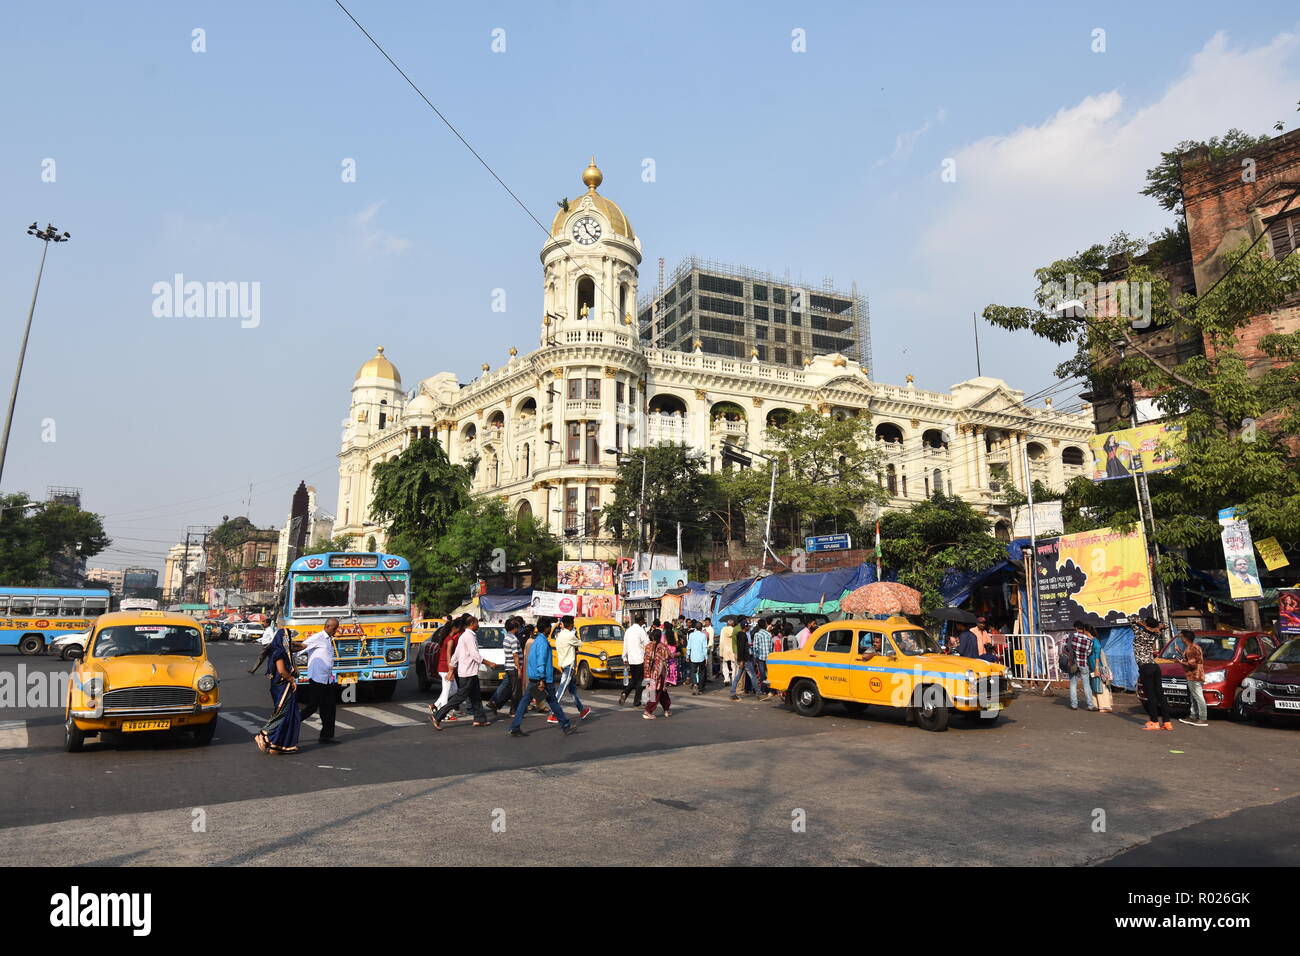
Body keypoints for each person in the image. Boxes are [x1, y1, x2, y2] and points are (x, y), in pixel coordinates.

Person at [508, 617, 575, 737]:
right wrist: (542, 680)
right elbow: (541, 662)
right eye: (549, 626)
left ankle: (515, 726)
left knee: (525, 702)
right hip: (542, 679)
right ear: (546, 628)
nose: (550, 628)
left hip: (534, 677)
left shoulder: (536, 641)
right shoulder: (543, 643)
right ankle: (565, 724)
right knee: (553, 702)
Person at [430, 615, 490, 729]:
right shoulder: (469, 637)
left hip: (469, 672)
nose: (478, 625)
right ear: (472, 624)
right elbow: (474, 655)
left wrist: (452, 668)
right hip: (468, 673)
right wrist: (489, 663)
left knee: (476, 696)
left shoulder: (463, 636)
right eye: (477, 623)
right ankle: (438, 716)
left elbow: (456, 655)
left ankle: (479, 719)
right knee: (459, 697)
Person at [255, 628, 302, 755]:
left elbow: (304, 646)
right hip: (283, 686)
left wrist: (292, 641)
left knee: (288, 715)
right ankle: (264, 733)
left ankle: (277, 744)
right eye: (287, 638)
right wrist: (291, 679)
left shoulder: (280, 649)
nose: (289, 641)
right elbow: (281, 670)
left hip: (280, 686)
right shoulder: (279, 652)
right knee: (283, 714)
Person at [297, 618, 340, 744]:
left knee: (330, 708)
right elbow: (302, 647)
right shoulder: (318, 637)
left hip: (327, 679)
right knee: (312, 707)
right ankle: (290, 724)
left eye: (337, 628)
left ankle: (326, 736)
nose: (336, 630)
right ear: (327, 626)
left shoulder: (328, 639)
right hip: (317, 678)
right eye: (334, 628)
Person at [1133, 616, 1173, 731]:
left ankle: (1154, 721)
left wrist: (1144, 625)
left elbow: (1132, 619)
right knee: (1160, 694)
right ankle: (1167, 722)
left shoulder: (1139, 632)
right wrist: (1155, 627)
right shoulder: (1156, 634)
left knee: (1150, 696)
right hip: (1155, 666)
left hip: (1145, 667)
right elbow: (1164, 624)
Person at [551, 616, 592, 722]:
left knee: (573, 691)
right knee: (562, 689)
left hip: (564, 663)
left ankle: (581, 710)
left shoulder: (559, 635)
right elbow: (580, 643)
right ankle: (553, 713)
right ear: (571, 624)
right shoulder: (569, 635)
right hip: (569, 665)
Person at [486, 616, 524, 714]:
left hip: (508, 666)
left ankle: (495, 703)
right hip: (514, 667)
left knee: (507, 687)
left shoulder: (506, 637)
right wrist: (519, 668)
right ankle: (513, 710)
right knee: (515, 690)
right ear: (515, 628)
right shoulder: (514, 639)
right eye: (518, 627)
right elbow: (515, 654)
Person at [433, 616, 465, 721]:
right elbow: (448, 655)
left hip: (443, 667)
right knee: (446, 692)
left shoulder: (445, 638)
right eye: (459, 628)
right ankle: (443, 715)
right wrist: (450, 670)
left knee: (454, 690)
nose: (460, 630)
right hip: (445, 667)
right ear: (454, 628)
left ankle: (436, 705)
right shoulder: (450, 640)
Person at [1177, 629, 1208, 727]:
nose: (1180, 638)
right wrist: (1180, 651)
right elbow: (1192, 659)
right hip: (1197, 675)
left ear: (1185, 638)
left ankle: (1202, 718)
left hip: (1194, 675)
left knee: (1198, 697)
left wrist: (1180, 662)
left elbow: (1192, 664)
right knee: (1194, 697)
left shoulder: (1190, 648)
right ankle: (1193, 715)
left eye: (1181, 637)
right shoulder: (1195, 647)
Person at [643, 628, 675, 719]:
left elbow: (646, 661)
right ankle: (648, 711)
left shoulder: (648, 646)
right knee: (657, 692)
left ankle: (666, 709)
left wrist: (646, 675)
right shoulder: (663, 647)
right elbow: (670, 655)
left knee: (662, 692)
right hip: (659, 673)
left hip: (649, 672)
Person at [1064, 621, 1096, 711]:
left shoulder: (1071, 636)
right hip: (1083, 663)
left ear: (1076, 628)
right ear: (1083, 629)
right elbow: (1089, 653)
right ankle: (1090, 705)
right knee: (1086, 684)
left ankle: (1074, 705)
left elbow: (1066, 648)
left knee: (1073, 683)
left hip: (1072, 664)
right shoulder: (1089, 640)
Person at [620, 612, 650, 707]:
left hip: (631, 659)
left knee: (634, 680)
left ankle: (625, 693)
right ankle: (636, 701)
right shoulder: (641, 631)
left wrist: (624, 657)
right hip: (640, 659)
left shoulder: (628, 630)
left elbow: (625, 645)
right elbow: (647, 643)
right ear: (641, 621)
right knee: (640, 681)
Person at [730, 620, 760, 700]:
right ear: (745, 627)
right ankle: (758, 692)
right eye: (748, 626)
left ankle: (733, 692)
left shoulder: (740, 634)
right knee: (753, 676)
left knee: (738, 676)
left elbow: (741, 648)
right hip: (745, 660)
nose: (749, 627)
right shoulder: (743, 636)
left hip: (743, 659)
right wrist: (741, 661)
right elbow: (741, 649)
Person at [751, 617, 774, 699]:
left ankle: (763, 689)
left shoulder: (757, 634)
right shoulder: (769, 634)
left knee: (762, 674)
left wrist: (755, 657)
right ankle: (770, 689)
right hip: (768, 656)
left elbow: (755, 647)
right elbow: (771, 646)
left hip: (760, 657)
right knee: (769, 674)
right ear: (765, 625)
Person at [686, 620, 709, 694]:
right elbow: (704, 647)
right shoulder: (703, 635)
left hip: (693, 657)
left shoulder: (691, 635)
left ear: (695, 627)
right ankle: (700, 689)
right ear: (701, 628)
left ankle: (695, 683)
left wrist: (687, 655)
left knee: (693, 671)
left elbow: (688, 646)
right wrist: (706, 658)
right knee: (701, 673)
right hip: (701, 657)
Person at [718, 616, 737, 688]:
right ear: (733, 624)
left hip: (725, 649)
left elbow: (721, 641)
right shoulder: (735, 630)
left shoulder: (723, 629)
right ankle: (734, 678)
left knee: (724, 664)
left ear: (727, 623)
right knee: (734, 665)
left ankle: (726, 679)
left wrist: (720, 653)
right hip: (733, 650)